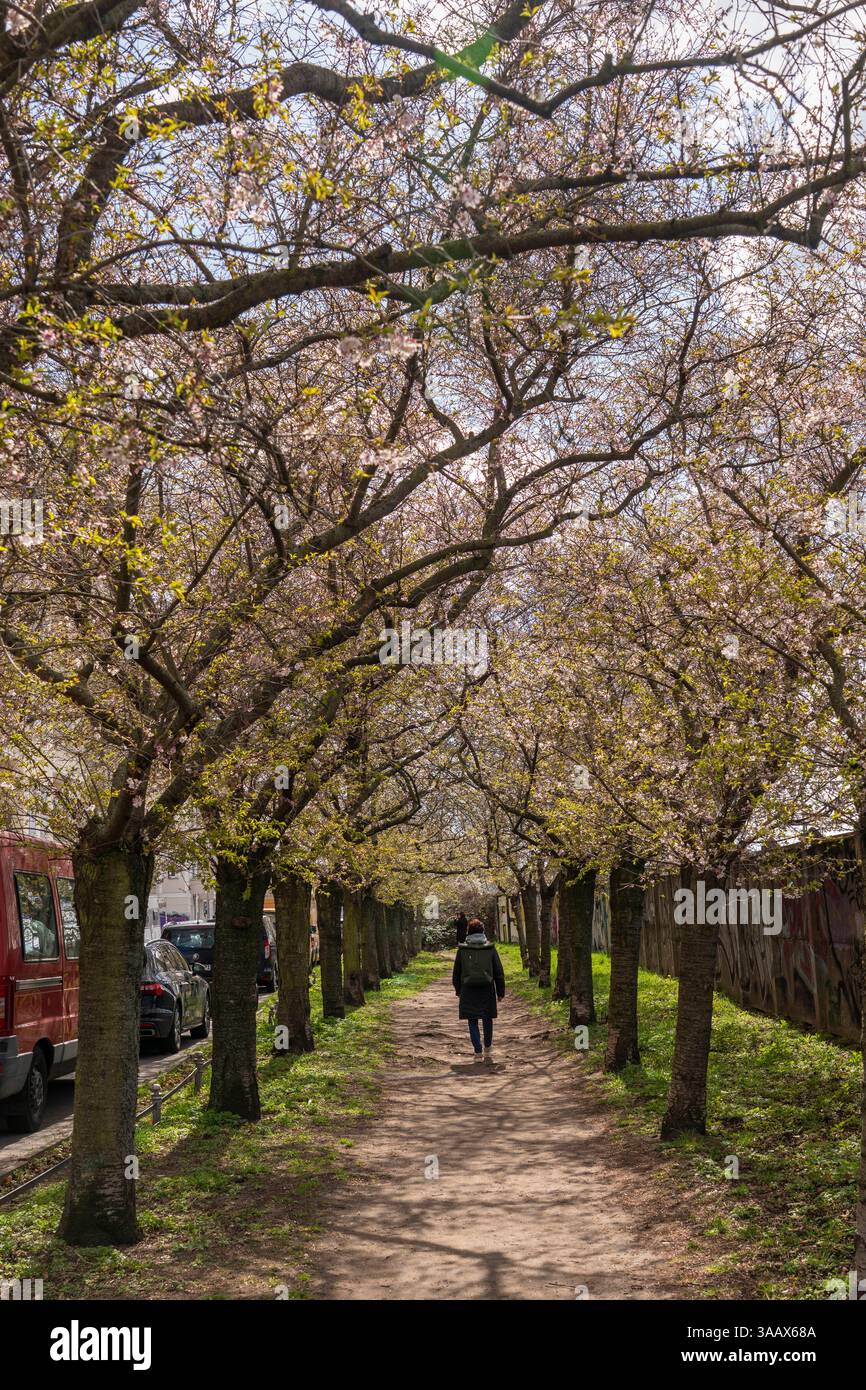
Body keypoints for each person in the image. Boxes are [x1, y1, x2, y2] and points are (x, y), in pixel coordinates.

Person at [452, 917, 505, 1062]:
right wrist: (501, 992)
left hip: (468, 989)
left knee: (472, 1020)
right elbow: (498, 972)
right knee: (487, 1019)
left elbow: (456, 973)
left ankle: (477, 1052)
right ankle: (488, 1049)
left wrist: (458, 990)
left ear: (468, 932)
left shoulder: (462, 950)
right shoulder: (490, 948)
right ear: (483, 932)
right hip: (487, 989)